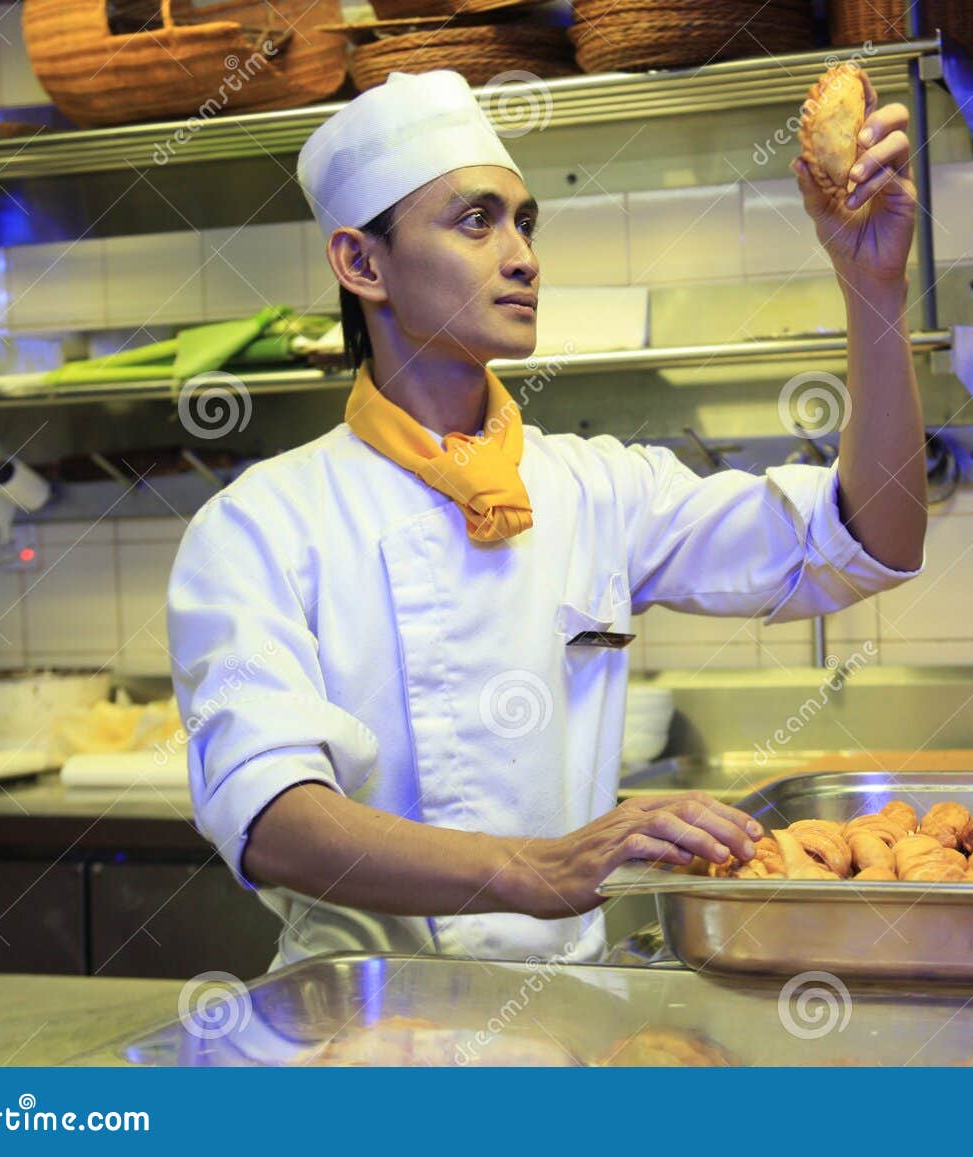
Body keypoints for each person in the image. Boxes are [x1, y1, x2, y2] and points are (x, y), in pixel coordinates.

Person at [167, 68, 928, 968]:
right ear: (361, 263)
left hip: (564, 1021)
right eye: (476, 220)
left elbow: (870, 541)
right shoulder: (259, 525)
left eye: (524, 222)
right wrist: (538, 869)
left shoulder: (595, 486)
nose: (524, 256)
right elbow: (273, 821)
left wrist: (872, 288)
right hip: (362, 1031)